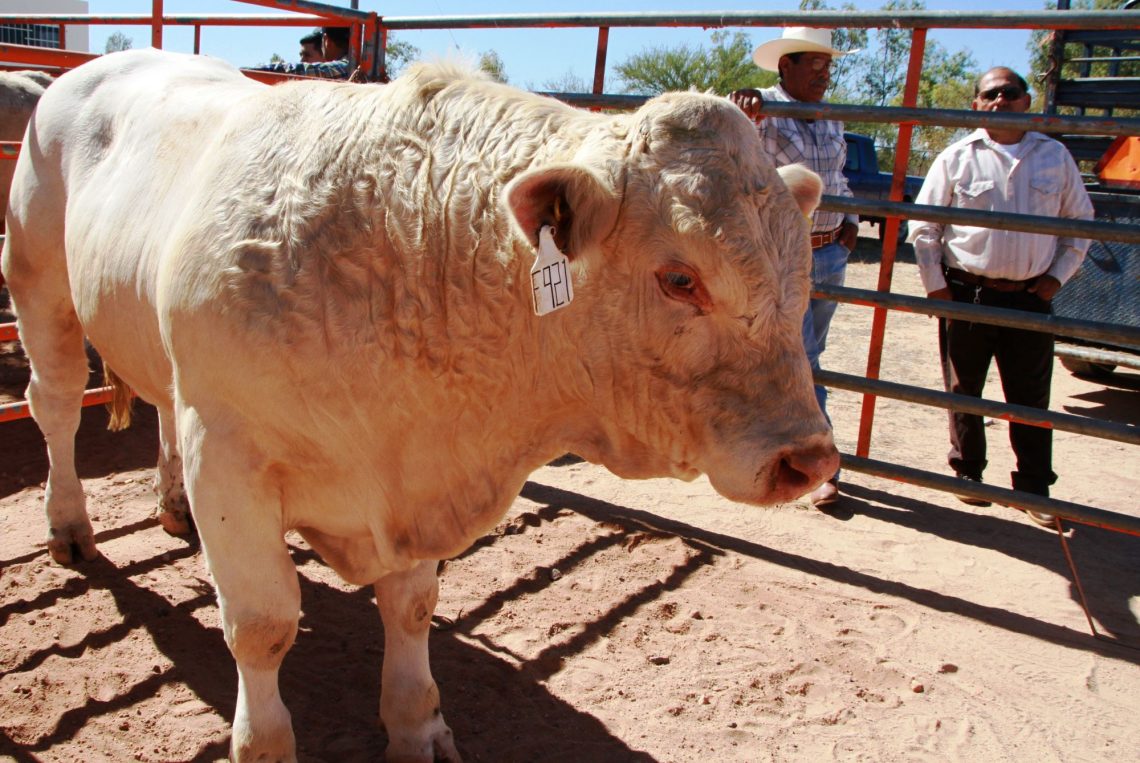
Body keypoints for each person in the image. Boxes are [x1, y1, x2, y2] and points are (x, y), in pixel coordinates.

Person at [908, 66, 1094, 526]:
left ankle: (1033, 488)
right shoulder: (956, 158)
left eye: (1009, 93)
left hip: (1031, 298)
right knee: (964, 388)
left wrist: (1056, 278)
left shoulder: (1055, 157)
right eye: (990, 95)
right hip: (968, 292)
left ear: (1026, 100)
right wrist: (937, 289)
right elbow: (924, 227)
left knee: (1029, 395)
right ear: (976, 105)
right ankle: (968, 474)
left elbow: (1081, 224)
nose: (1000, 101)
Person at [729, 27, 860, 507]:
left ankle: (783, 444)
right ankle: (818, 463)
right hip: (784, 253)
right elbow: (733, 153)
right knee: (804, 358)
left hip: (828, 250)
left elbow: (838, 176)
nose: (825, 75)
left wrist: (850, 220)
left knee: (812, 352)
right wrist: (741, 108)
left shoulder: (830, 118)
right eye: (816, 65)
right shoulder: (757, 108)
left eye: (829, 66)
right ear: (787, 66)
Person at [254, 26, 353, 79]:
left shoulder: (347, 67)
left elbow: (307, 70)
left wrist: (264, 69)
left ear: (327, 41)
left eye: (307, 55)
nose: (302, 60)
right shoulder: (356, 64)